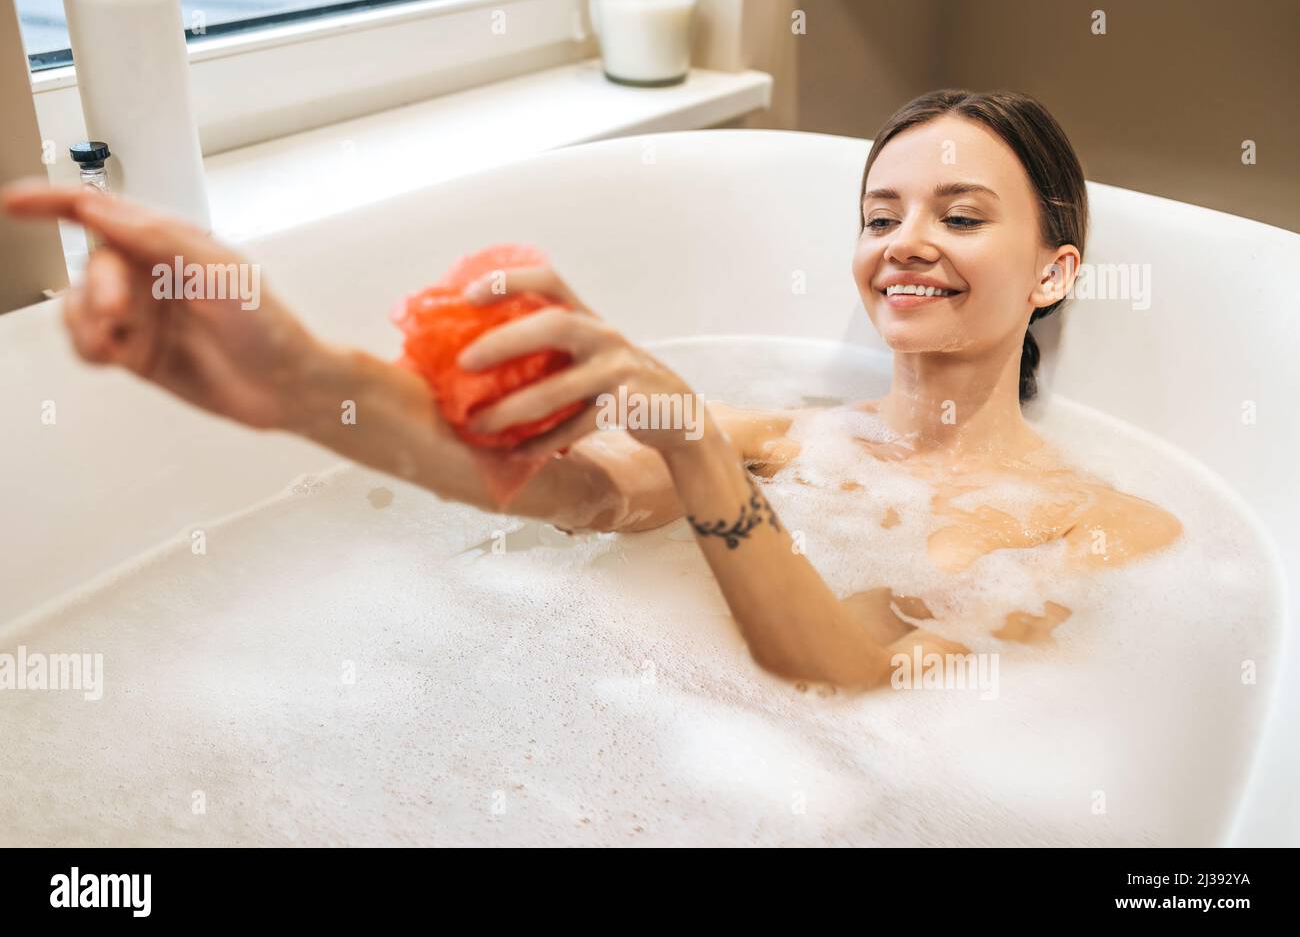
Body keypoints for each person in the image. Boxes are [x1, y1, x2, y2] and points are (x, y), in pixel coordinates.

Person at [2, 89, 1179, 689]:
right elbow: (560, 491)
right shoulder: (789, 433)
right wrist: (309, 385)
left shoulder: (1104, 524)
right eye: (879, 217)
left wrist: (696, 449)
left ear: (1051, 272)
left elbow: (852, 676)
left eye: (960, 217)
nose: (904, 243)